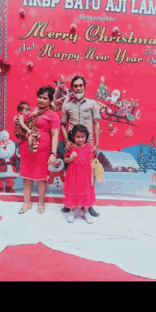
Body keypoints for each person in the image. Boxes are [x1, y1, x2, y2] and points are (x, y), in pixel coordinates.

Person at [13, 86, 60, 214]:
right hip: (27, 149)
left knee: (41, 178)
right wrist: (16, 120)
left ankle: (41, 203)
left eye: (45, 98)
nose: (41, 100)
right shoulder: (30, 111)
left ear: (50, 100)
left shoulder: (53, 116)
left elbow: (55, 135)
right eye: (40, 97)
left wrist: (53, 154)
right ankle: (26, 202)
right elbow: (20, 121)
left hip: (42, 150)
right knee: (26, 177)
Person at [60, 76, 101, 217]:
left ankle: (88, 206)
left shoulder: (92, 104)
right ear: (72, 88)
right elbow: (62, 125)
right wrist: (66, 141)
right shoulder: (67, 106)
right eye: (75, 86)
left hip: (88, 144)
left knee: (89, 176)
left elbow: (96, 124)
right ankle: (69, 204)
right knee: (72, 175)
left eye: (80, 86)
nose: (78, 88)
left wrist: (96, 144)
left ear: (84, 87)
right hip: (72, 145)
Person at [63, 124, 96, 224]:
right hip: (73, 175)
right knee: (73, 192)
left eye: (82, 137)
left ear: (86, 137)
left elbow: (92, 162)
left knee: (86, 192)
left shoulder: (89, 147)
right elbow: (65, 159)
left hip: (86, 175)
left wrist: (92, 176)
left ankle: (86, 212)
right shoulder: (71, 147)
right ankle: (72, 212)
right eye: (78, 137)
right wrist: (71, 158)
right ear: (73, 136)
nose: (80, 139)